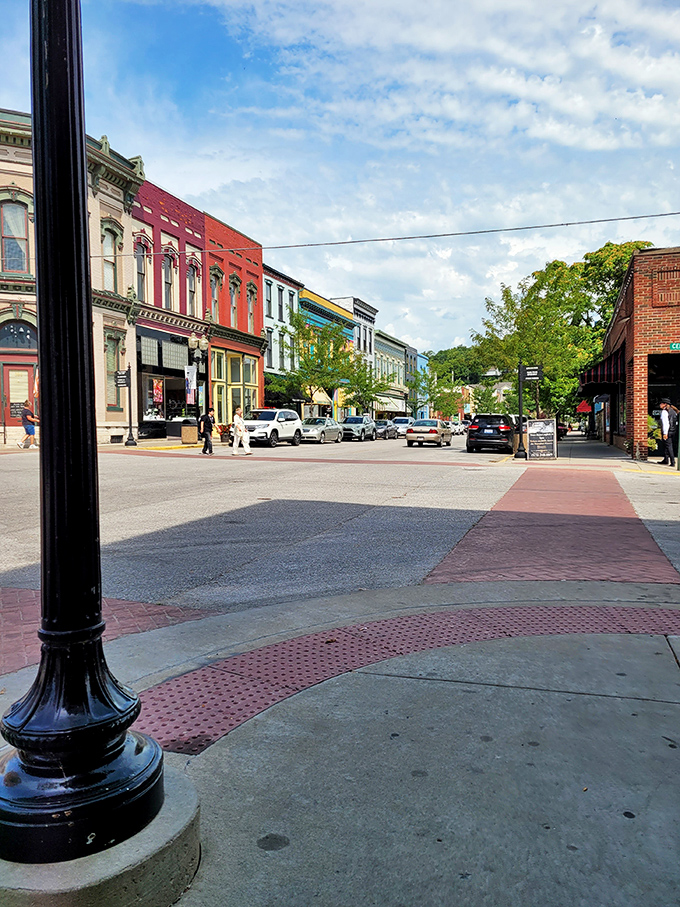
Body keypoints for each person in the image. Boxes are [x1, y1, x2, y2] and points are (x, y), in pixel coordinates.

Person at [658, 399, 676, 467]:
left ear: (664, 404)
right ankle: (665, 459)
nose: (660, 405)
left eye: (661, 403)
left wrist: (665, 433)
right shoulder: (673, 411)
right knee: (666, 445)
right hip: (673, 431)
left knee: (668, 446)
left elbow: (666, 423)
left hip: (667, 431)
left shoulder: (665, 412)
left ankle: (672, 461)